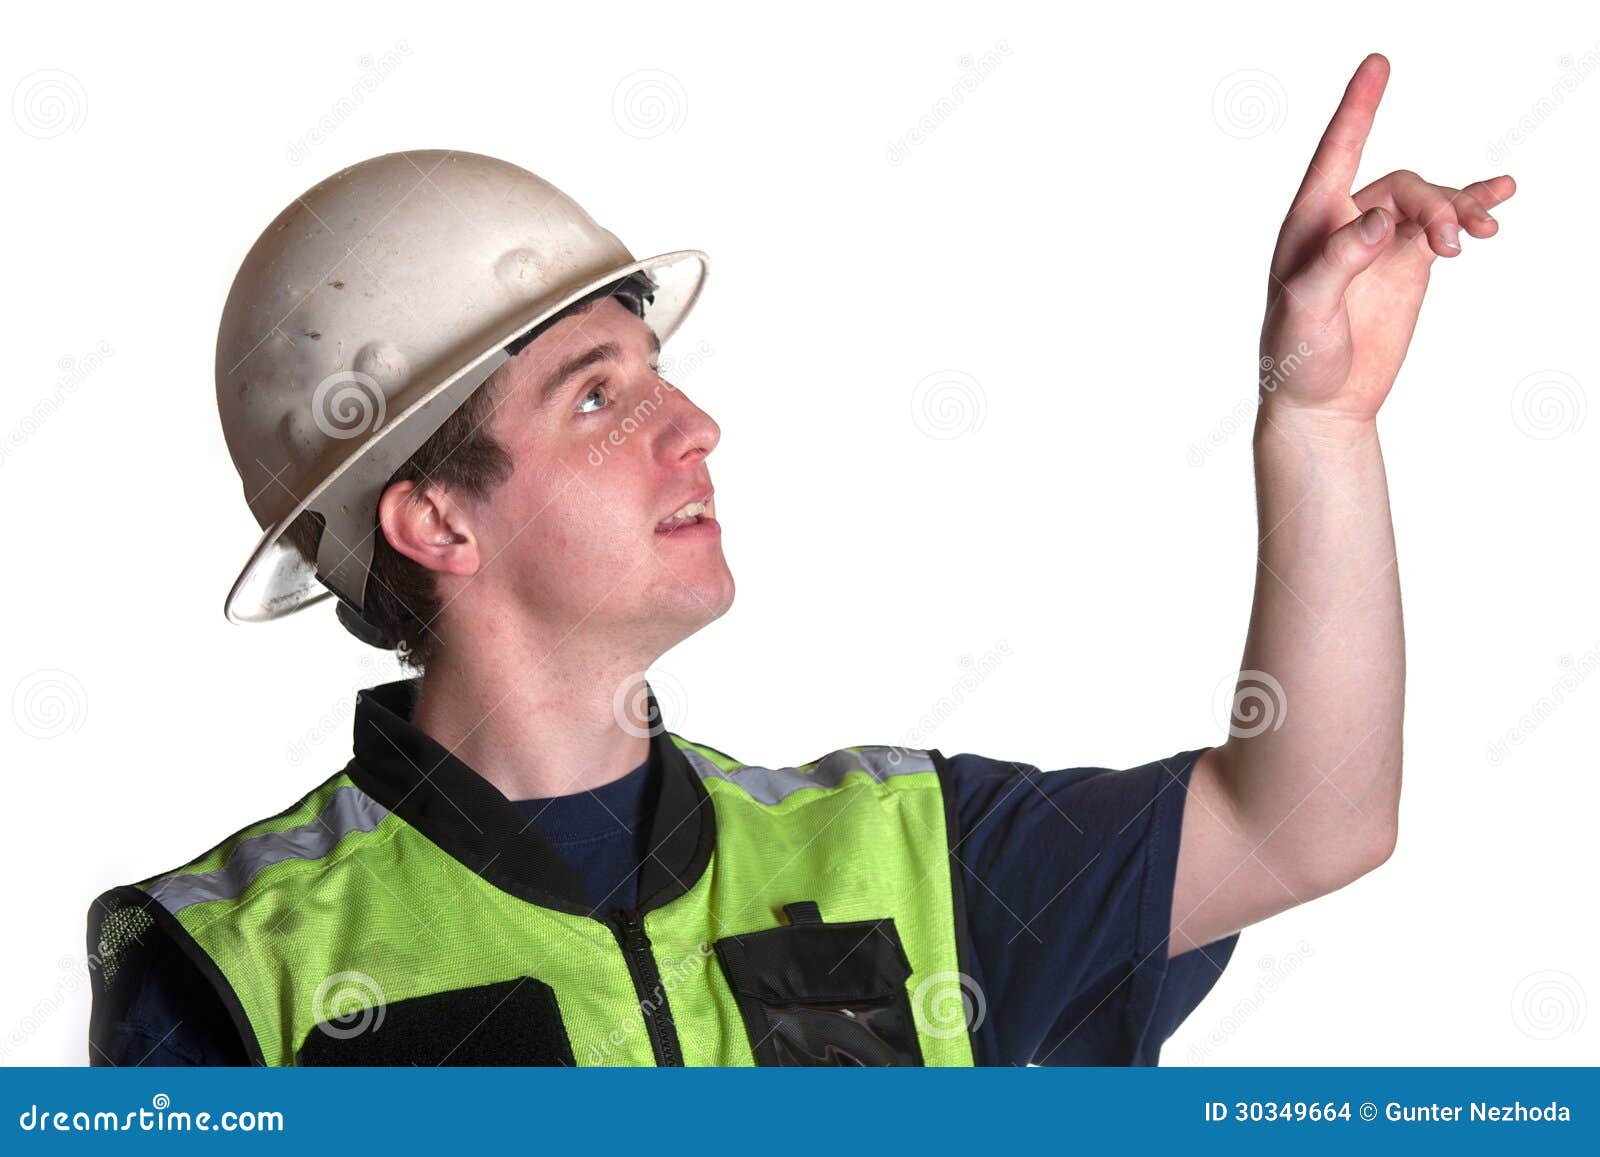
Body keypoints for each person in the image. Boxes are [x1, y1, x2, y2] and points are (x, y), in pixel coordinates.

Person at [87, 53, 1513, 1066]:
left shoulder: (909, 856)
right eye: (596, 395)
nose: (693, 426)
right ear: (436, 521)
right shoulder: (231, 972)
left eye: (659, 372)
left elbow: (1310, 821)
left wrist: (1320, 422)